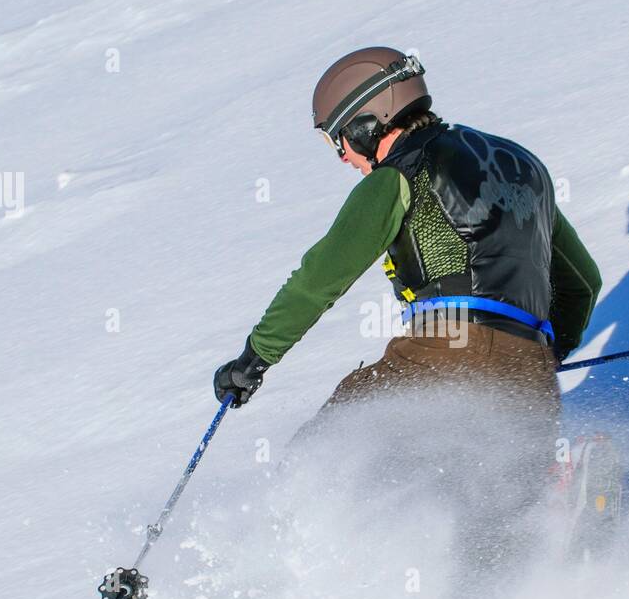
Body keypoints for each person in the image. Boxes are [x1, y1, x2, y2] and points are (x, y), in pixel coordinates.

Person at [213, 49, 601, 554]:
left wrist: (253, 359)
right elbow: (582, 283)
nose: (344, 159)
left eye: (339, 142)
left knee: (326, 453)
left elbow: (320, 278)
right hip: (529, 376)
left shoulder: (397, 176)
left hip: (442, 351)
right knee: (488, 521)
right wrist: (543, 358)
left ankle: (279, 569)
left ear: (368, 123)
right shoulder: (524, 166)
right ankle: (558, 508)